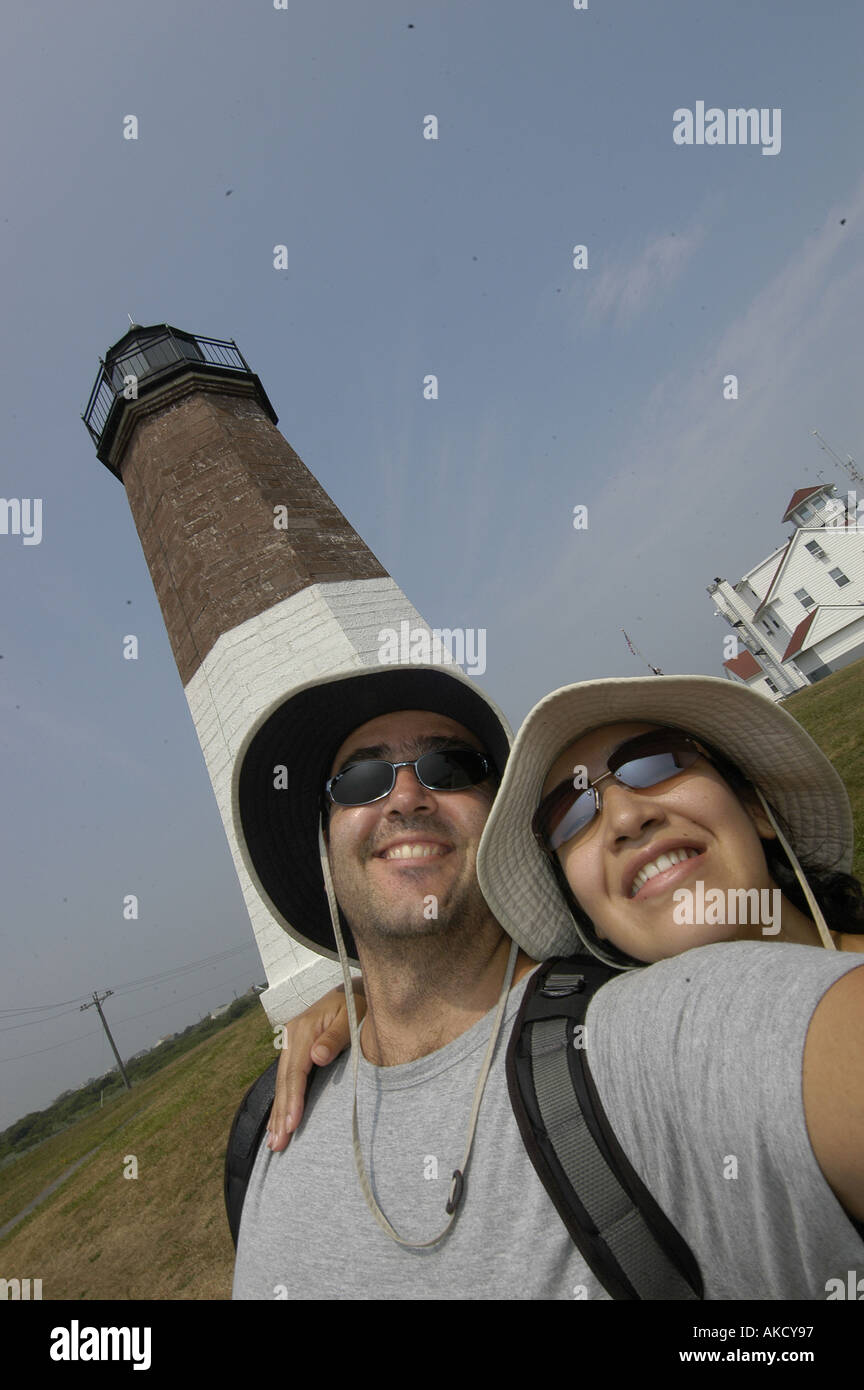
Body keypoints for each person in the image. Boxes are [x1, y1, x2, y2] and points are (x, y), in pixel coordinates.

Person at [233, 669, 864, 1300]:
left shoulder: (647, 1030)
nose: (403, 798)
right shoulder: (268, 1125)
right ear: (323, 847)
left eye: (450, 767)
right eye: (360, 782)